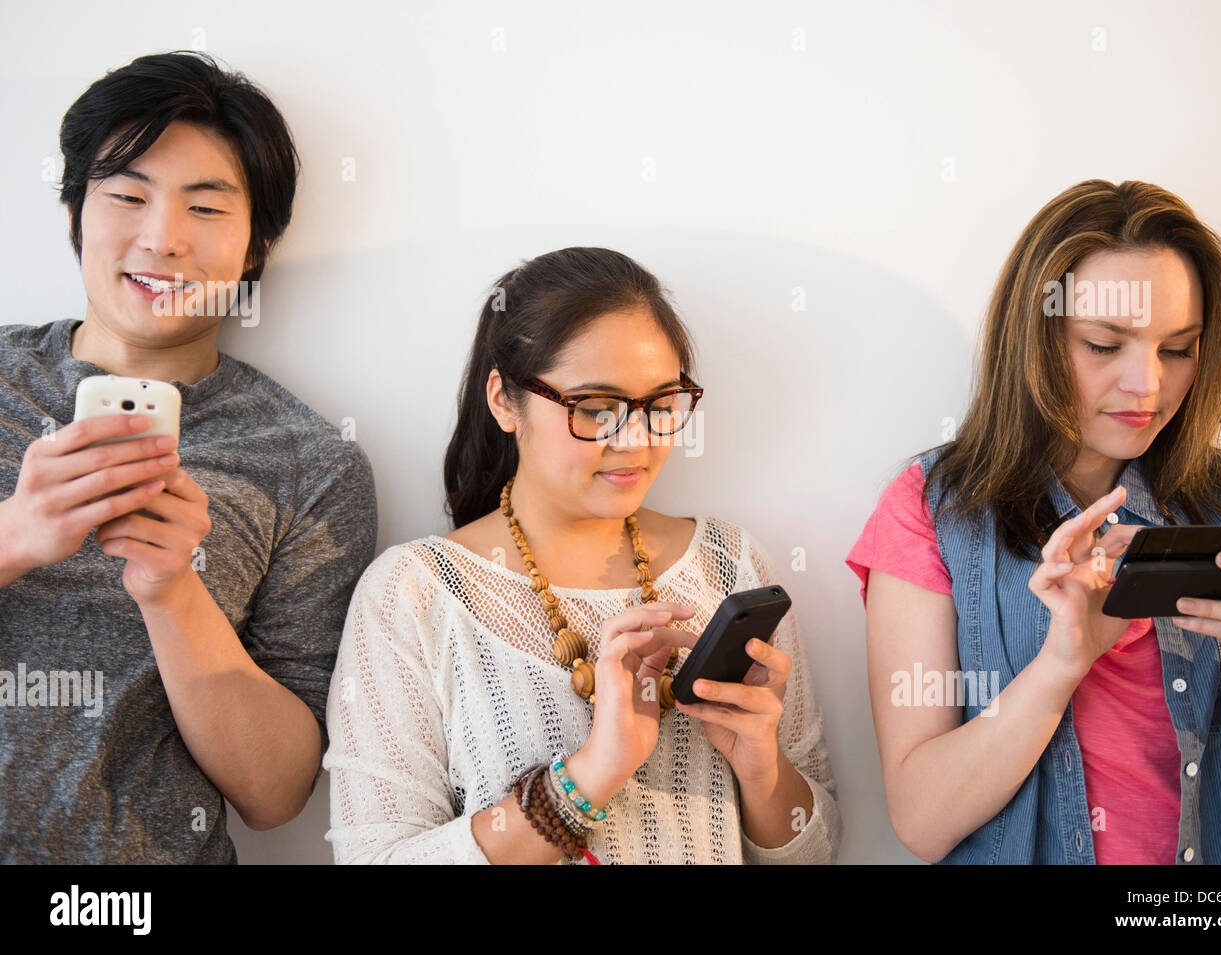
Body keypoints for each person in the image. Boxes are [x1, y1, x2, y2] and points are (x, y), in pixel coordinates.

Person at [324, 246, 839, 863]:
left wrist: (763, 772)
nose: (636, 440)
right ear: (502, 401)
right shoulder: (413, 594)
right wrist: (588, 777)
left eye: (660, 405)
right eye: (596, 409)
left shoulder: (732, 563)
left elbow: (820, 849)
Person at [846, 179, 1221, 864]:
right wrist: (1061, 664)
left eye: (1178, 348)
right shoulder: (930, 512)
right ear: (1035, 339)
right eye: (1103, 343)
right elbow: (920, 818)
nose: (1147, 383)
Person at [0, 51, 378, 862]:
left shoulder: (312, 464)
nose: (162, 238)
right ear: (74, 215)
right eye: (128, 196)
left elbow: (276, 793)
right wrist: (15, 536)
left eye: (206, 208)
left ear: (256, 246)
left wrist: (175, 595)